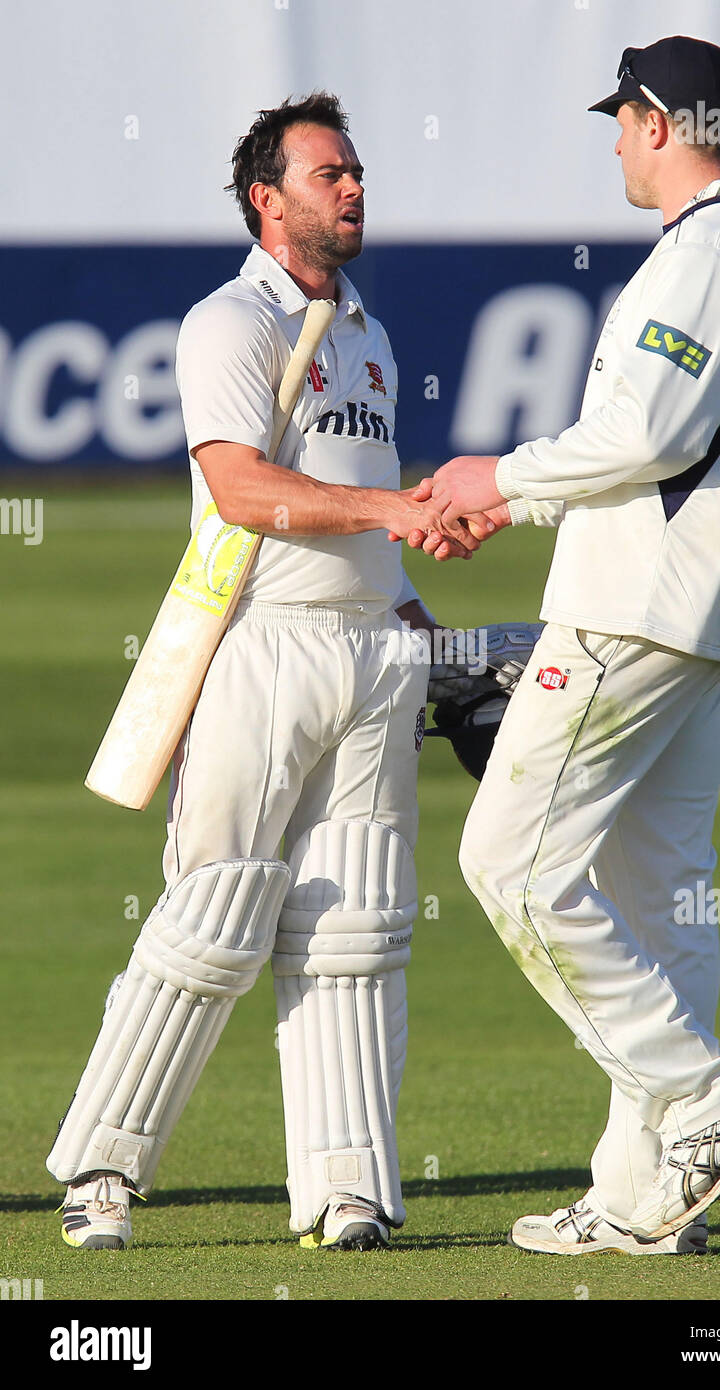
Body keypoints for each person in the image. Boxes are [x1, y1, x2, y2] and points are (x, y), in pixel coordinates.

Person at [47, 93, 479, 1252]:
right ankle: (102, 1173)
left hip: (370, 657)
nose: (352, 189)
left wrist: (430, 641)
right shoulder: (225, 322)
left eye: (355, 171)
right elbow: (241, 490)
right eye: (328, 173)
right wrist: (395, 504)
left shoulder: (370, 338)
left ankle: (344, 1188)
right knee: (213, 918)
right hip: (260, 647)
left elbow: (361, 537)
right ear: (267, 197)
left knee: (358, 928)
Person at [413, 37, 720, 1255]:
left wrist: (496, 478)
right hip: (693, 612)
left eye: (620, 120)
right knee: (656, 889)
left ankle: (706, 1092)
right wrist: (511, 499)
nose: (614, 142)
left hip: (633, 609)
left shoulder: (713, 247)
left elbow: (642, 434)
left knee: (507, 864)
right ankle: (645, 1198)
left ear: (654, 121)